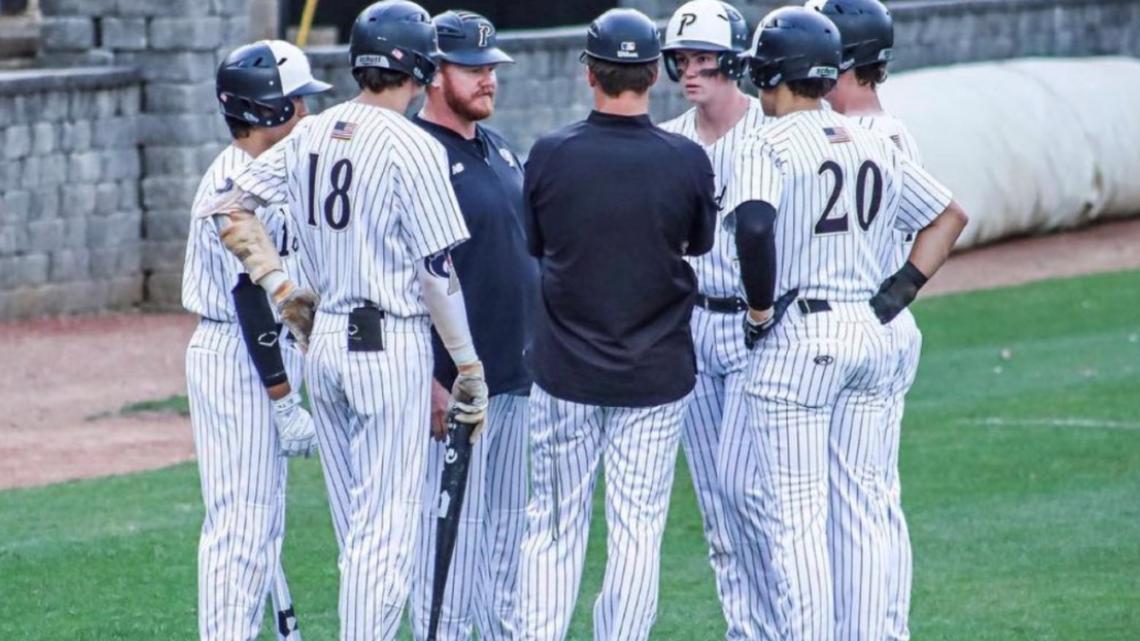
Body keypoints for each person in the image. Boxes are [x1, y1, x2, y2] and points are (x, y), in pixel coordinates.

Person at [194, 2, 490, 639]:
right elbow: (437, 273)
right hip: (389, 347)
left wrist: (279, 285)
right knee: (385, 533)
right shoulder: (413, 146)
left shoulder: (311, 131)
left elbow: (228, 206)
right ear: (418, 65)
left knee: (358, 531)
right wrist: (466, 364)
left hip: (323, 344)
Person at [725, 7, 968, 641]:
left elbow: (752, 226)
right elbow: (949, 216)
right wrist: (897, 293)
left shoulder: (763, 142)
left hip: (801, 337)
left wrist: (756, 309)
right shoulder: (870, 138)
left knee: (797, 518)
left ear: (772, 74)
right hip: (870, 330)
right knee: (867, 505)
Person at [515, 8, 717, 641]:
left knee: (550, 526)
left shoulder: (549, 154)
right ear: (654, 72)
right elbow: (700, 245)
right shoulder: (687, 159)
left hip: (564, 367)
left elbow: (536, 245)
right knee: (637, 531)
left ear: (589, 74)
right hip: (655, 370)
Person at [182, 39, 329, 641]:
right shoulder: (233, 183)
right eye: (299, 102)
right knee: (241, 524)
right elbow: (249, 298)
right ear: (268, 110)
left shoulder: (268, 172)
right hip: (237, 355)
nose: (309, 114)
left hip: (260, 351)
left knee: (261, 521)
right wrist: (282, 398)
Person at [406, 10, 536, 641]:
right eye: (474, 69)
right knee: (448, 550)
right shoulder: (415, 154)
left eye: (492, 69)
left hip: (514, 378)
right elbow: (404, 274)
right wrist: (429, 379)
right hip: (451, 390)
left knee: (507, 540)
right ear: (434, 75)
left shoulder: (498, 145)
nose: (489, 80)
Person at [657, 2, 775, 639]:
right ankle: (745, 629)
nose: (689, 72)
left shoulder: (772, 130)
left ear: (733, 62)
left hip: (764, 328)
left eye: (702, 59)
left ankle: (794, 622)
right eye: (681, 60)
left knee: (755, 494)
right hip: (696, 327)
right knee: (715, 503)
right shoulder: (671, 140)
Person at [805, 1, 922, 638]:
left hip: (854, 322)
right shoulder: (897, 129)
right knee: (871, 499)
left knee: (855, 504)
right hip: (886, 321)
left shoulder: (853, 139)